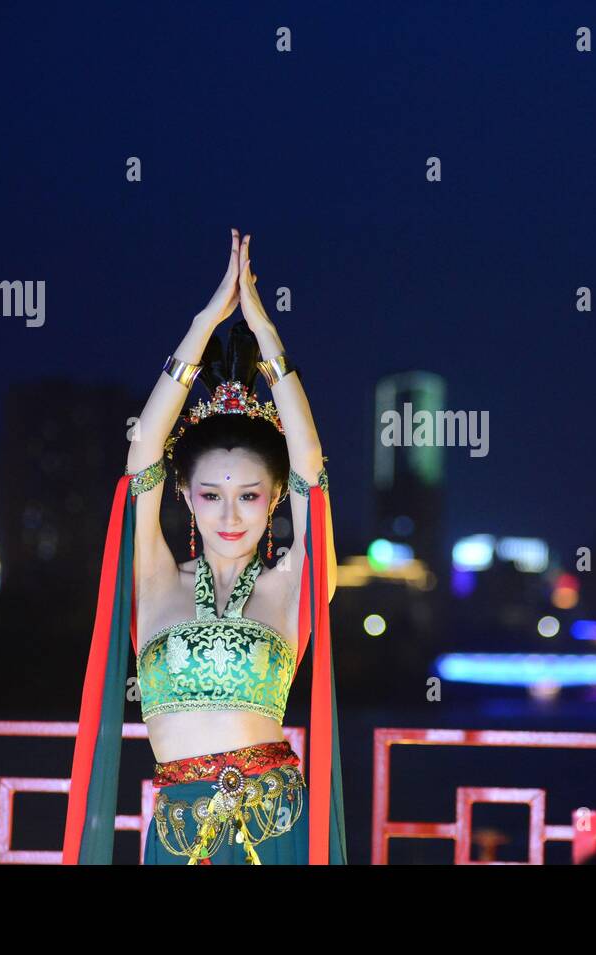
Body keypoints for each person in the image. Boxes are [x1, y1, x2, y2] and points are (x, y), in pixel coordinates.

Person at [62, 229, 346, 864]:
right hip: (178, 832)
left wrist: (269, 340)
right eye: (211, 494)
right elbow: (143, 457)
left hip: (277, 826)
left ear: (274, 501)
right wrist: (203, 322)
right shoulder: (155, 579)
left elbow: (310, 471)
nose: (230, 513)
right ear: (185, 497)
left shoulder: (292, 583)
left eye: (249, 495)